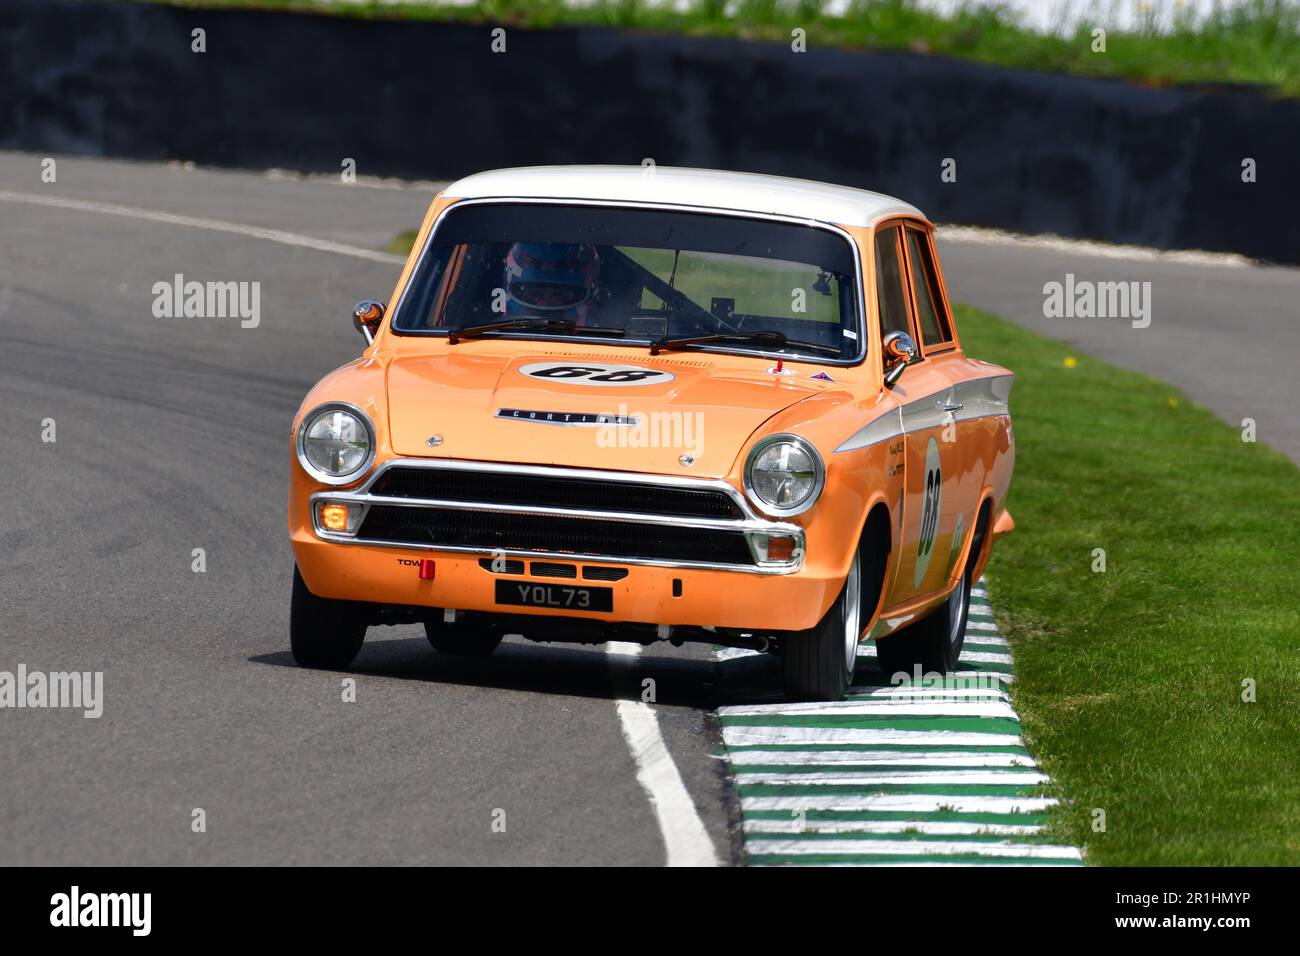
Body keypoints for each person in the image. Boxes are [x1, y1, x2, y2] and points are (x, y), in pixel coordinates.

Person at [502, 242, 601, 324]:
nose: (544, 305)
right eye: (535, 294)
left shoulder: (602, 334)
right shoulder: (494, 330)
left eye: (559, 295)